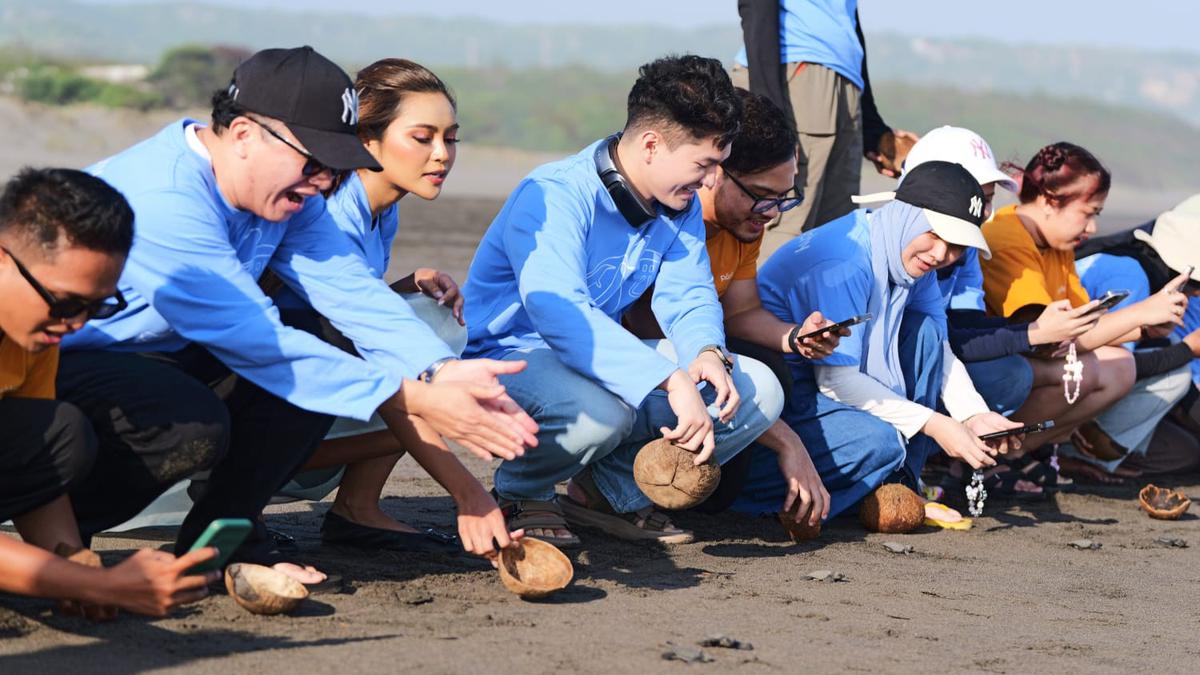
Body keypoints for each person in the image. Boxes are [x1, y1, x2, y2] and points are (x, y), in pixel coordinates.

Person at [58, 46, 536, 583]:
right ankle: (57, 543)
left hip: (170, 352)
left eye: (334, 170)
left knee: (316, 341)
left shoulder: (292, 196)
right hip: (65, 362)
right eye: (313, 164)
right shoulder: (167, 200)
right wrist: (421, 398)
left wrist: (441, 369)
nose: (323, 184)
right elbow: (259, 341)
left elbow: (351, 290)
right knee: (195, 419)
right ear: (243, 136)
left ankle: (224, 543)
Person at [462, 55, 778, 546]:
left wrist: (706, 354)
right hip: (512, 356)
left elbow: (690, 295)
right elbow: (558, 313)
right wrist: (670, 379)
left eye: (718, 166)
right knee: (602, 412)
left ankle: (604, 495)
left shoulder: (680, 203)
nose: (710, 181)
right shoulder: (555, 194)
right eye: (704, 165)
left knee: (757, 390)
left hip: (598, 361)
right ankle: (524, 490)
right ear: (652, 144)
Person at [270, 58, 516, 557]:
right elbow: (370, 347)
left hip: (319, 391)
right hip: (270, 413)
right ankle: (273, 490)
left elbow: (352, 305)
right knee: (427, 338)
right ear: (367, 141)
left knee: (427, 313)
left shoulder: (382, 205)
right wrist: (469, 493)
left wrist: (403, 285)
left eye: (451, 138)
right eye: (422, 138)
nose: (442, 154)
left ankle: (358, 508)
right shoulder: (331, 213)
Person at [731, 160, 1022, 523]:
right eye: (935, 235)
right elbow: (835, 381)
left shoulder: (909, 255)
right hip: (783, 399)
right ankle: (765, 498)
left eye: (957, 246)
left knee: (927, 334)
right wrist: (935, 423)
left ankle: (902, 484)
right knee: (879, 442)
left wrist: (973, 414)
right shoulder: (847, 260)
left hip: (828, 388)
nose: (941, 255)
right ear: (907, 214)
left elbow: (938, 348)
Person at [0, 167, 220, 618]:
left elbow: (37, 463)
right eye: (64, 302)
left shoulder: (35, 331)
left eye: (95, 306)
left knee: (59, 431)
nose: (77, 324)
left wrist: (68, 556)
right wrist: (94, 582)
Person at [624, 88, 839, 528]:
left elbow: (741, 312)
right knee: (764, 382)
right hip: (640, 367)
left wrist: (796, 336)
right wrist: (783, 438)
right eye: (762, 196)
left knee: (774, 367)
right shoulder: (670, 219)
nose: (772, 214)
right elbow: (649, 329)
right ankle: (615, 486)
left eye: (783, 198)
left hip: (698, 363)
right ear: (713, 170)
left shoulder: (744, 224)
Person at [876, 127, 1113, 495]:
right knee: (993, 365)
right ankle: (922, 457)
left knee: (1009, 372)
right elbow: (939, 338)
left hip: (928, 366)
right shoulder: (901, 244)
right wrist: (1031, 333)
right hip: (881, 372)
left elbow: (964, 329)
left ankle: (951, 456)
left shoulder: (967, 250)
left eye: (986, 199)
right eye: (978, 200)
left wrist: (1032, 333)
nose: (984, 212)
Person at [980, 142, 1190, 484]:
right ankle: (990, 451)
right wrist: (1140, 314)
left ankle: (1020, 451)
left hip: (1028, 359)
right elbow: (1048, 342)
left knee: (1120, 366)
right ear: (1050, 200)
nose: (1092, 228)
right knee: (1090, 368)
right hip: (998, 364)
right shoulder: (1008, 240)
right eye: (1088, 213)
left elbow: (1084, 325)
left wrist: (1146, 329)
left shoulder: (1054, 241)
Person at [735, 0, 919, 258]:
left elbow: (846, 20)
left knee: (835, 236)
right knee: (786, 219)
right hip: (797, 73)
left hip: (845, 84)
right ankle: (755, 300)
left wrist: (873, 128)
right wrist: (770, 112)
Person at [1074, 193, 1200, 474]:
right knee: (1175, 378)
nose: (1195, 294)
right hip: (1070, 385)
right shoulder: (1132, 278)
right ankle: (1078, 452)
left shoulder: (1135, 264)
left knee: (1183, 452)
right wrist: (1187, 350)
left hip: (1081, 382)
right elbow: (1117, 366)